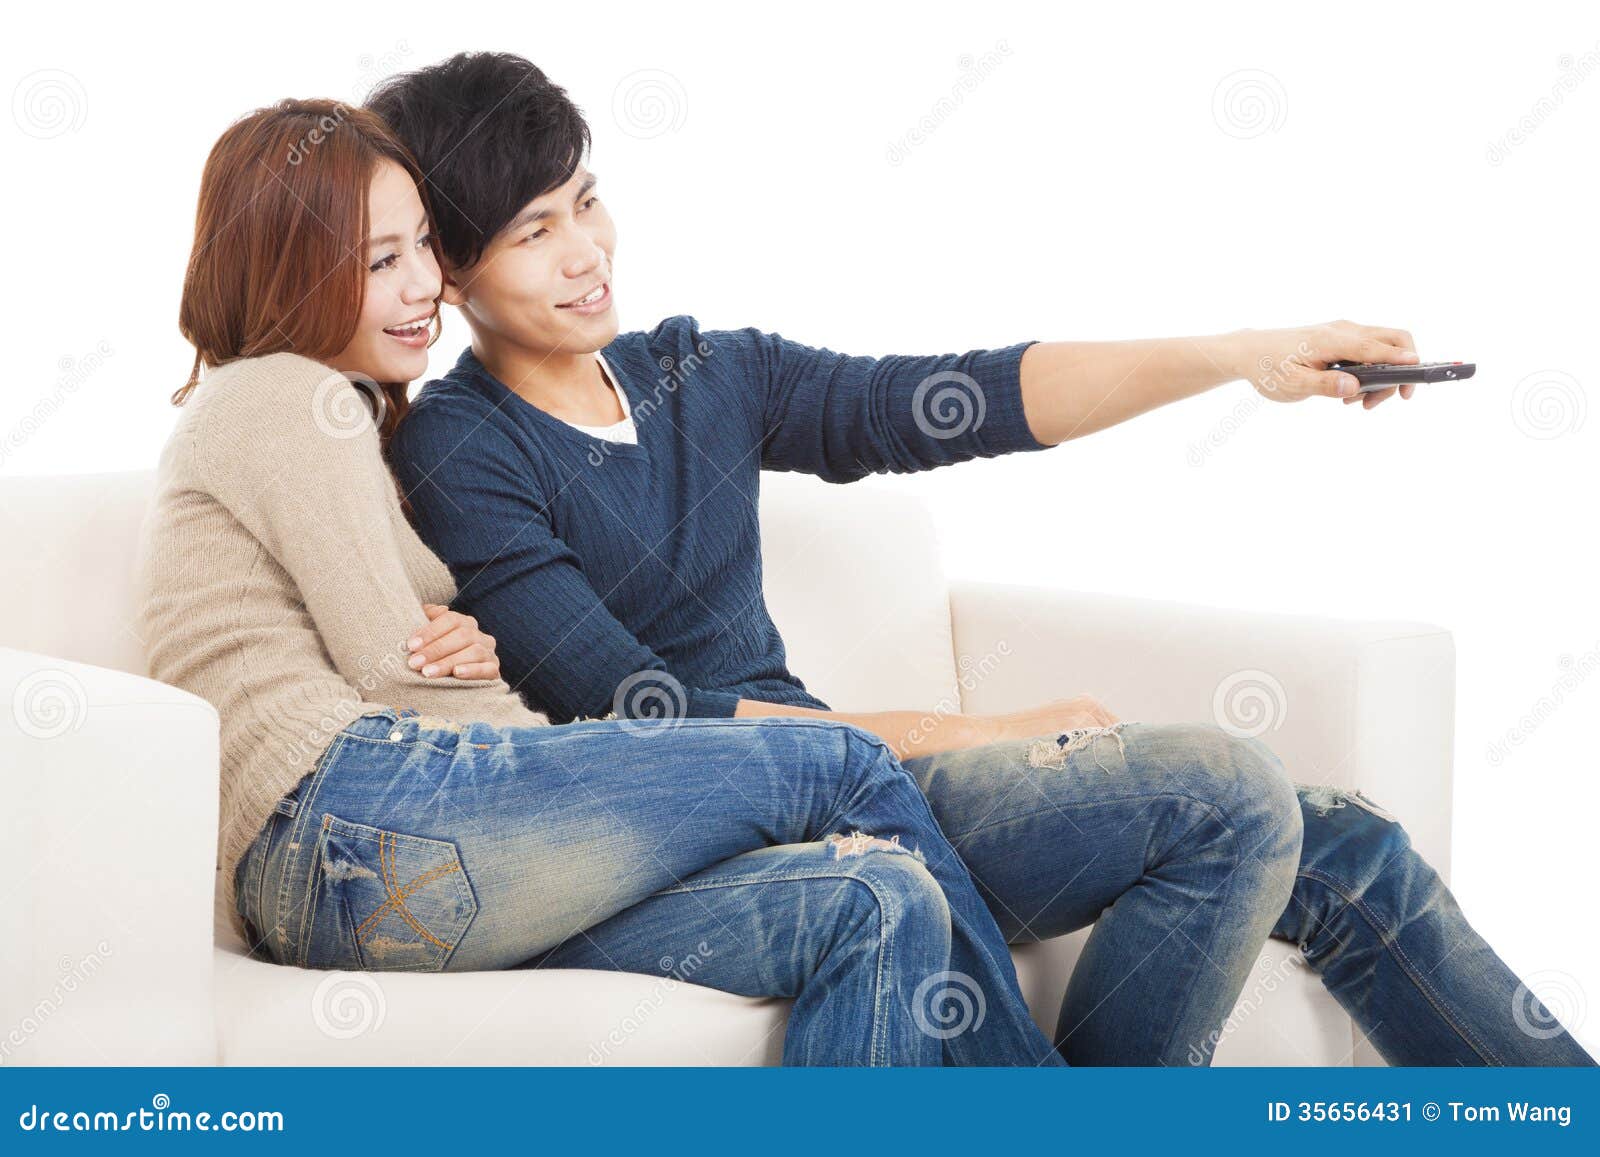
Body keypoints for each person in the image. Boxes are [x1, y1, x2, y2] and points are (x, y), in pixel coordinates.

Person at [370, 52, 1595, 1066]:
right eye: (535, 232)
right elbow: (640, 712)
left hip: (869, 784)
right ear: (455, 268)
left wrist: (1235, 354)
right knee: (1218, 785)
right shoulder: (463, 447)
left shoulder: (700, 369)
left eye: (587, 201)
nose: (585, 253)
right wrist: (975, 730)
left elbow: (946, 399)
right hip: (748, 840)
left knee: (1336, 838)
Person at [132, 96, 1167, 1068]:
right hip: (352, 822)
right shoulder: (283, 394)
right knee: (834, 760)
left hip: (394, 863)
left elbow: (410, 655)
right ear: (289, 273)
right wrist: (576, 769)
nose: (424, 289)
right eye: (380, 261)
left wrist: (477, 661)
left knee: (872, 893)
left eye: (424, 253)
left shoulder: (346, 421)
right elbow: (395, 676)